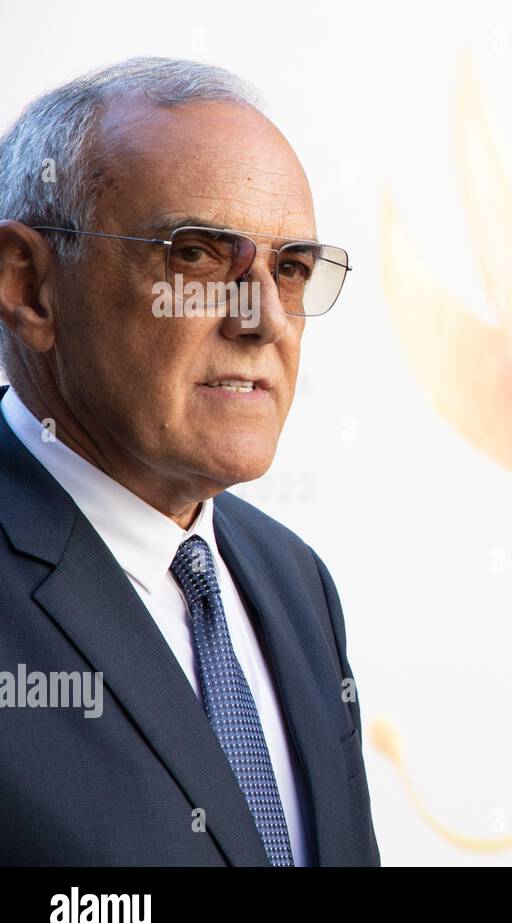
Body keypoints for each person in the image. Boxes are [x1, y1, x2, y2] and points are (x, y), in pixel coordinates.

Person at [0, 57, 379, 865]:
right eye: (201, 256)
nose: (265, 320)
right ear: (29, 285)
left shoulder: (293, 581)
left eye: (290, 269)